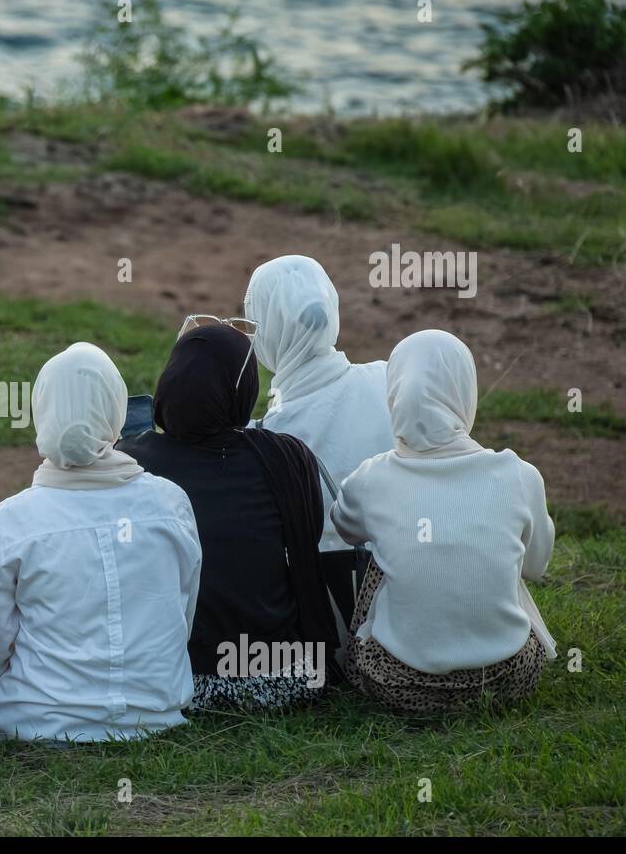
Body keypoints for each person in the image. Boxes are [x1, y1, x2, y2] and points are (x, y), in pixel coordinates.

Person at [0, 342, 201, 742]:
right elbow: (181, 618)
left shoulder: (10, 522)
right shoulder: (172, 503)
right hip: (155, 713)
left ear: (43, 412)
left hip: (34, 720)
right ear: (116, 410)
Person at [332, 330, 557, 712]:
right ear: (463, 390)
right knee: (496, 552)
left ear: (394, 394)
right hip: (508, 677)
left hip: (396, 680)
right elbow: (536, 566)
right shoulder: (518, 474)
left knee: (381, 558)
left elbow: (344, 527)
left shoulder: (373, 478)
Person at [119, 323, 336, 709]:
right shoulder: (285, 456)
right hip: (285, 678)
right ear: (243, 391)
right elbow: (309, 534)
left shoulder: (132, 462)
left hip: (176, 677)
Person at [244, 255, 394, 550]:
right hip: (413, 570)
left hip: (334, 592)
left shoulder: (268, 438)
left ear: (265, 329)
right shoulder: (390, 378)